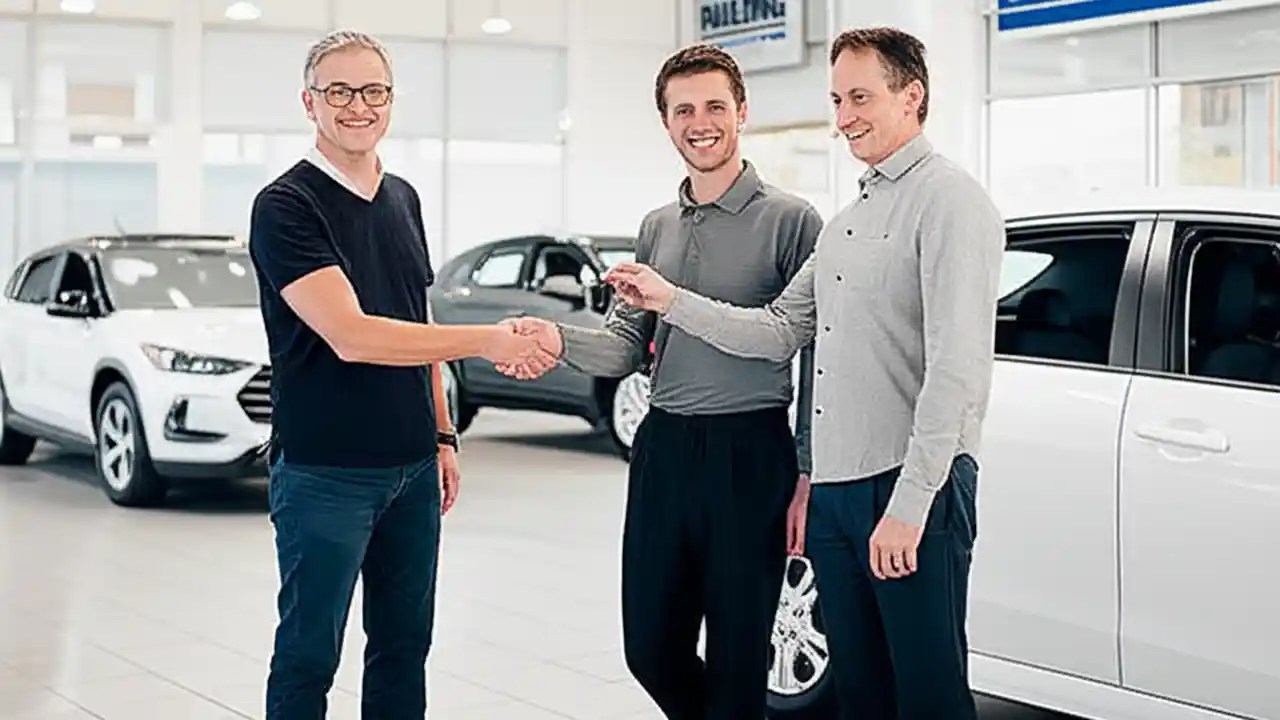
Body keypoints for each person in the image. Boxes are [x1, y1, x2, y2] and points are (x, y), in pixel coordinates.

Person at [604, 27, 1005, 720]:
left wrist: (907, 508)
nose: (844, 115)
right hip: (840, 496)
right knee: (861, 697)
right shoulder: (849, 221)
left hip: (904, 484)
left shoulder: (951, 202)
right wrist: (667, 300)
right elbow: (779, 330)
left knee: (930, 697)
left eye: (860, 97)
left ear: (913, 96)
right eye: (837, 99)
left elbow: (957, 370)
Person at [500, 44, 821, 719]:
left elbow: (812, 353)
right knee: (649, 648)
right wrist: (555, 339)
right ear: (666, 122)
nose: (699, 122)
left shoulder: (791, 221)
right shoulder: (656, 227)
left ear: (742, 113)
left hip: (750, 452)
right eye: (683, 110)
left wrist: (806, 471)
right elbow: (623, 347)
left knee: (738, 660)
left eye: (713, 106)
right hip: (665, 449)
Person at [247, 30, 556, 720]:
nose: (359, 105)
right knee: (307, 654)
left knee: (402, 647)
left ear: (391, 100)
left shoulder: (404, 197)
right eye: (340, 91)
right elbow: (353, 336)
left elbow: (415, 316)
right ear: (310, 102)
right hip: (325, 472)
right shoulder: (286, 205)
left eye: (374, 91)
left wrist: (443, 437)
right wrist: (493, 339)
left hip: (413, 469)